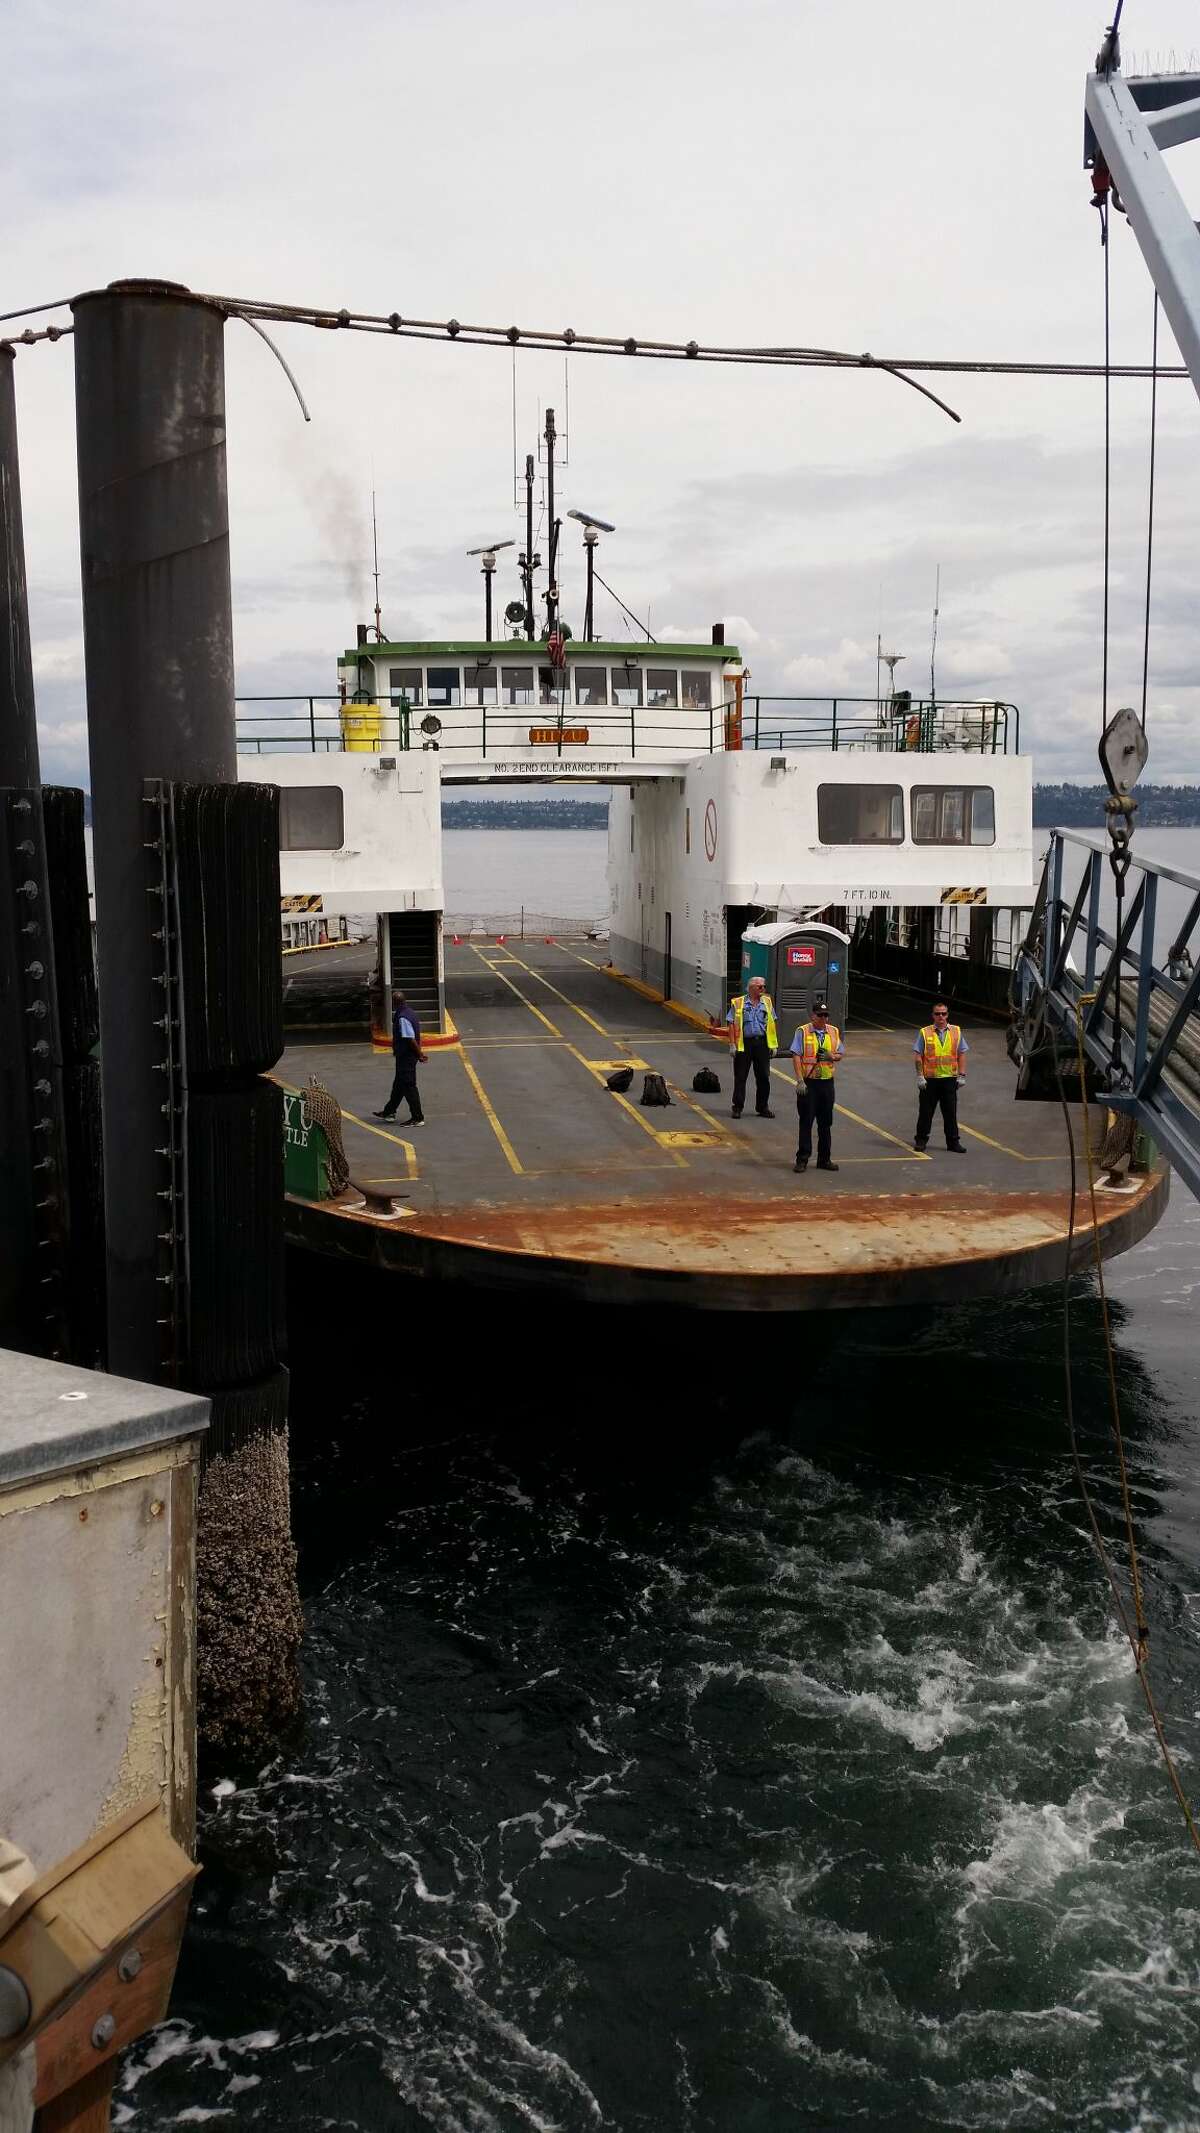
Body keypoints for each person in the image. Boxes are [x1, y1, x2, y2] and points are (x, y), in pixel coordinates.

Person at [791, 997, 844, 1172]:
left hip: (827, 1084)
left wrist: (832, 1056)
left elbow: (840, 1054)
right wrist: (799, 1080)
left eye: (826, 1015)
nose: (823, 1018)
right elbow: (796, 1055)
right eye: (820, 1015)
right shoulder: (803, 1031)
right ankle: (802, 1159)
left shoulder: (834, 1031)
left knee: (825, 1123)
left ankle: (824, 1159)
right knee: (806, 1122)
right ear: (813, 1016)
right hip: (809, 1083)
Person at [913, 1000, 968, 1153]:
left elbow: (961, 1054)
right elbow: (918, 1056)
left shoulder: (956, 1031)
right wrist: (920, 1076)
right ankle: (921, 1140)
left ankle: (953, 1142)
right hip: (930, 1080)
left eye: (943, 1013)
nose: (941, 1017)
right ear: (933, 1016)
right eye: (937, 1014)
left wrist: (962, 1075)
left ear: (947, 1015)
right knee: (925, 1113)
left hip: (949, 1079)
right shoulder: (925, 1032)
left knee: (950, 1113)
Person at [726, 973, 777, 1119]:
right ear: (751, 988)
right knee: (741, 1077)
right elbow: (731, 1024)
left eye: (764, 986)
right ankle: (737, 1107)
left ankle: (762, 1107)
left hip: (761, 1043)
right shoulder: (739, 1003)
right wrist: (732, 1044)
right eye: (760, 986)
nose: (763, 989)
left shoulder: (767, 1002)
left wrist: (773, 1045)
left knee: (763, 1077)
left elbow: (772, 1022)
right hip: (744, 1044)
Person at [373, 990, 426, 1125]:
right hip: (406, 1057)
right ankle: (389, 1112)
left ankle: (417, 1117)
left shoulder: (402, 1017)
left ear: (395, 1003)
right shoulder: (410, 1012)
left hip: (406, 1058)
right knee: (398, 1085)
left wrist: (420, 1054)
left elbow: (410, 1039)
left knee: (409, 1087)